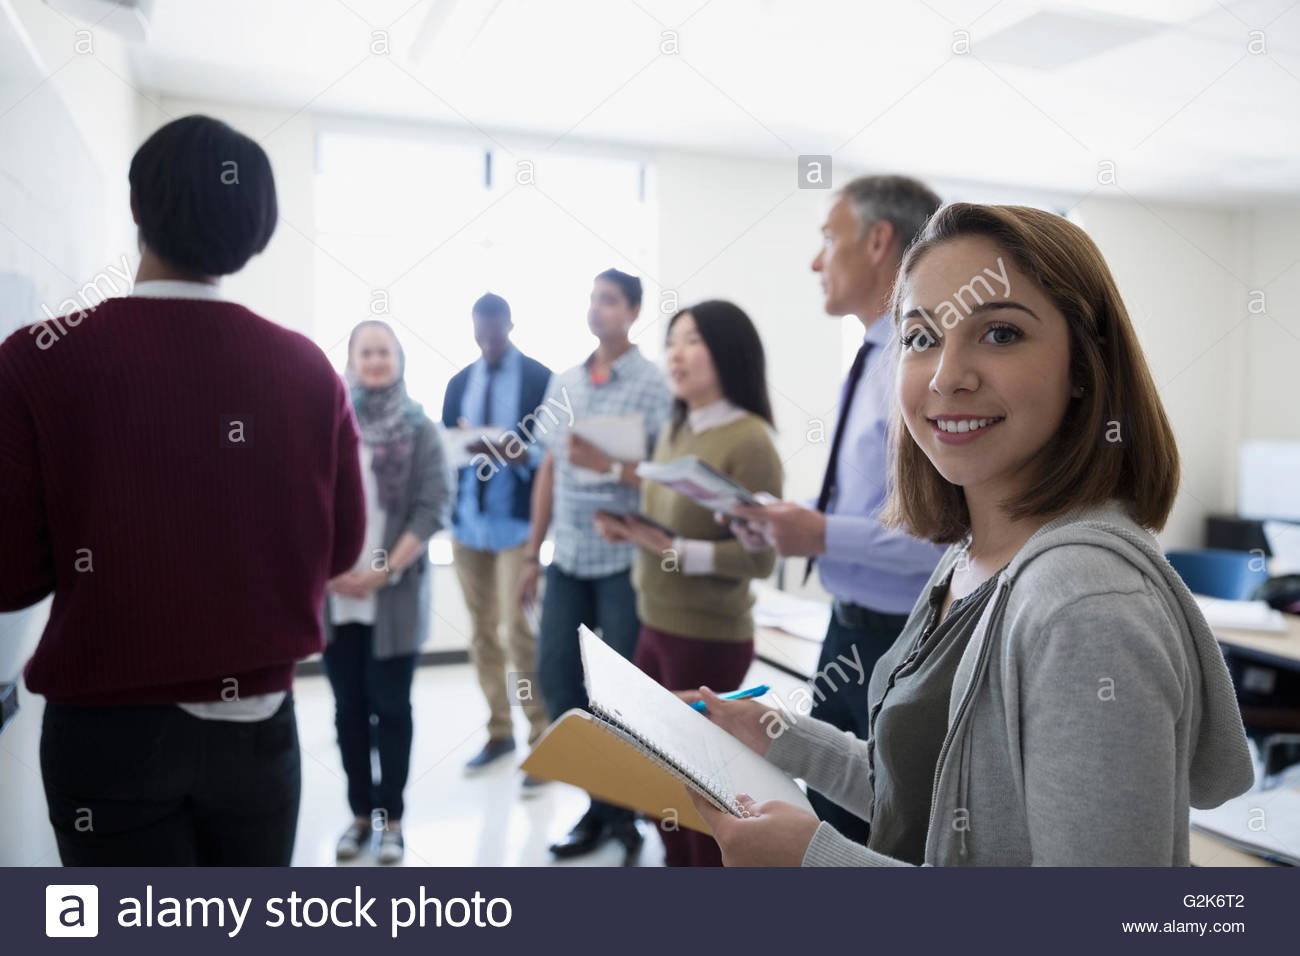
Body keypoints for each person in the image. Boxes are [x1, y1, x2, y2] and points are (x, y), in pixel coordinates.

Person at [685, 203, 1255, 866]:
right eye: (922, 337)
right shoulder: (971, 554)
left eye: (1001, 334)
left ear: (1083, 368)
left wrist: (816, 864)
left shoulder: (1085, 608)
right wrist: (776, 734)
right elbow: (938, 801)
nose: (948, 375)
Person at [0, 114, 366, 865]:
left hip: (106, 735)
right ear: (255, 232)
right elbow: (344, 547)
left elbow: (10, 578)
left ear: (137, 207)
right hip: (259, 725)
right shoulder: (308, 372)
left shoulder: (37, 360)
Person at [730, 174, 945, 845]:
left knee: (890, 831)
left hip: (905, 637)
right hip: (847, 632)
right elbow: (876, 506)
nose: (816, 260)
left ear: (879, 241)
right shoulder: (874, 355)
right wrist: (794, 522)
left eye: (829, 239)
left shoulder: (925, 364)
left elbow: (940, 537)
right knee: (834, 814)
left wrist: (819, 532)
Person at [595, 300, 781, 866]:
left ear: (728, 353)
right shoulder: (675, 429)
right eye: (671, 340)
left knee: (699, 793)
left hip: (708, 637)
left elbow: (760, 560)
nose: (675, 353)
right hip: (655, 622)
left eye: (692, 340)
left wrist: (675, 551)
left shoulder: (749, 440)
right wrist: (632, 534)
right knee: (655, 776)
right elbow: (667, 527)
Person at [521, 268, 673, 863]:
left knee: (621, 693)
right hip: (569, 559)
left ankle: (618, 815)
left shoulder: (655, 387)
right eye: (591, 299)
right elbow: (551, 470)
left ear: (633, 311)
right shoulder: (564, 382)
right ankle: (605, 803)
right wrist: (532, 554)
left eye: (608, 301)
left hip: (623, 561)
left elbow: (663, 476)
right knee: (558, 677)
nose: (597, 309)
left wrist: (609, 465)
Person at [324, 319, 450, 865]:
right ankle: (359, 815)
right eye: (365, 352)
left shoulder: (421, 428)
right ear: (351, 360)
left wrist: (383, 570)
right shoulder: (329, 421)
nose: (375, 360)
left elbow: (432, 508)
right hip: (335, 594)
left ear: (399, 359)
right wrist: (327, 570)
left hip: (392, 594)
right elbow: (305, 501)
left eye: (385, 351)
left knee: (391, 708)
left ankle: (392, 820)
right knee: (348, 709)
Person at [440, 293, 552, 782]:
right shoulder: (459, 382)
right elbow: (445, 447)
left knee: (519, 631)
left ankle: (543, 738)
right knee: (483, 633)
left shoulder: (539, 379)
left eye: (495, 332)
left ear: (510, 324)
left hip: (515, 529)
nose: (488, 342)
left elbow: (552, 451)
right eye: (479, 334)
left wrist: (519, 453)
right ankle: (499, 730)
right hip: (467, 527)